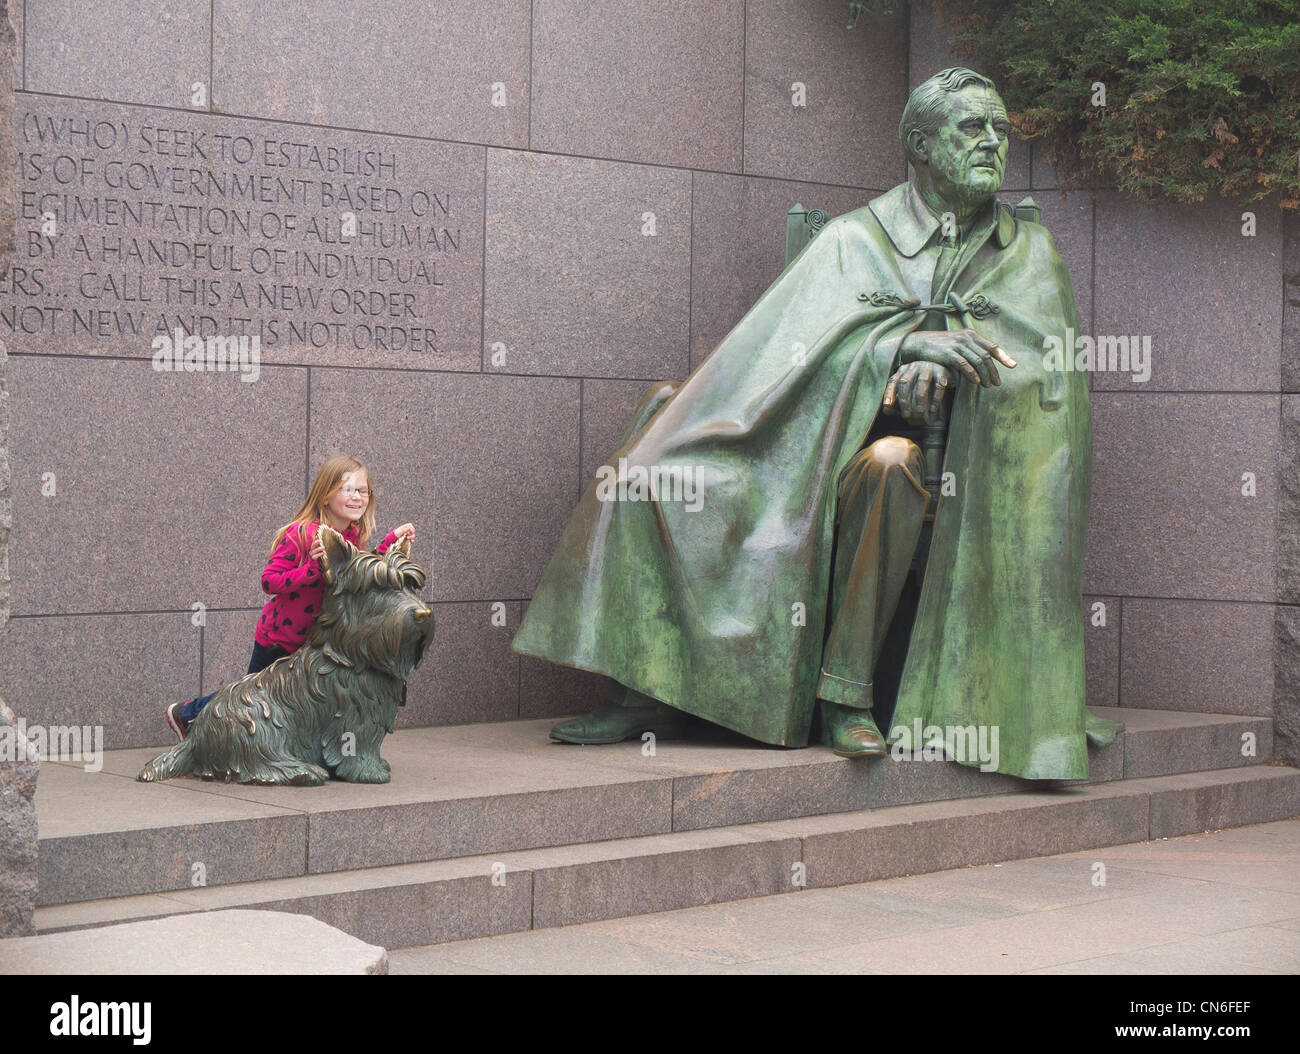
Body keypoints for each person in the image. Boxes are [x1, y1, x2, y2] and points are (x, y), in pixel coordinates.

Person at [511, 67, 1121, 780]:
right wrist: (898, 352)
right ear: (919, 146)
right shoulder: (852, 241)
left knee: (894, 465)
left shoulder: (1027, 254)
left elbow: (1044, 386)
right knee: (651, 467)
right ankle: (649, 684)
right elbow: (777, 358)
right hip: (798, 453)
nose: (992, 142)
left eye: (1000, 129)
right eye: (970, 128)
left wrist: (953, 383)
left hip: (933, 465)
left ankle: (846, 696)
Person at [164, 455, 416, 740]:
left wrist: (390, 542)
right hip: (279, 639)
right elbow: (269, 580)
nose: (357, 497)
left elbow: (359, 575)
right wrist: (310, 570)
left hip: (314, 642)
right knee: (251, 697)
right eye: (347, 489)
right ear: (325, 495)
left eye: (363, 490)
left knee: (297, 699)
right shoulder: (301, 534)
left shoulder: (352, 535)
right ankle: (187, 714)